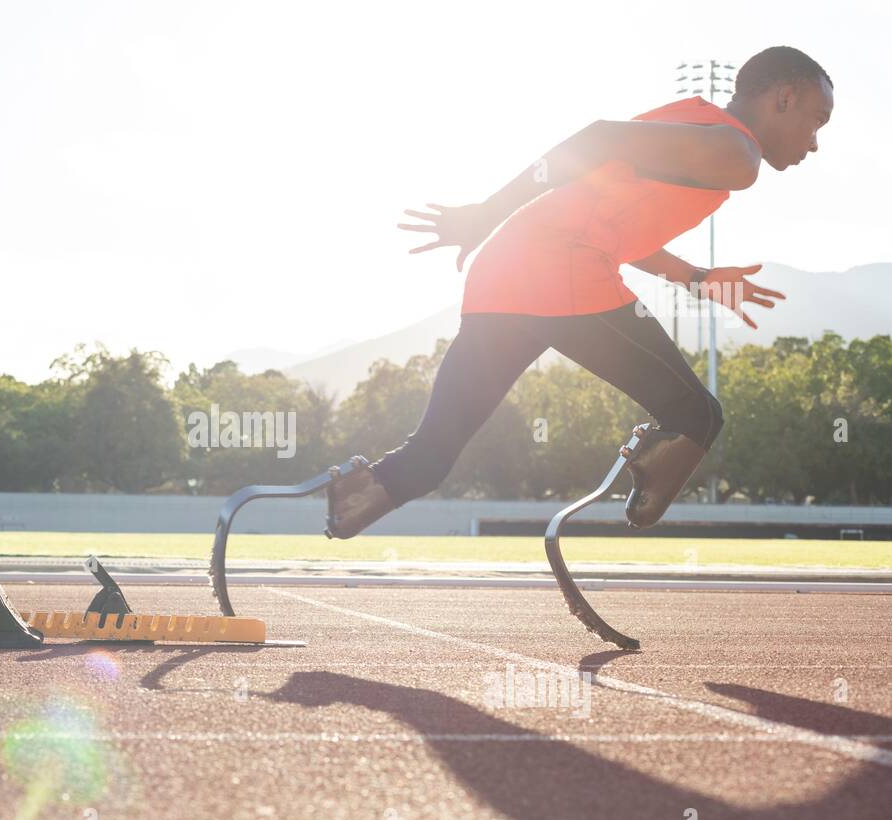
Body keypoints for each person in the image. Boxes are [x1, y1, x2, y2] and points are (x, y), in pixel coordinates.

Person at [326, 46, 832, 539]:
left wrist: (696, 278)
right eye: (817, 121)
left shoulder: (697, 123)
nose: (813, 143)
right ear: (784, 98)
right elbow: (597, 139)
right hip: (561, 267)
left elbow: (616, 223)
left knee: (427, 458)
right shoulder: (736, 151)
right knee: (696, 416)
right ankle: (649, 464)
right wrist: (487, 209)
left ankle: (361, 491)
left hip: (507, 272)